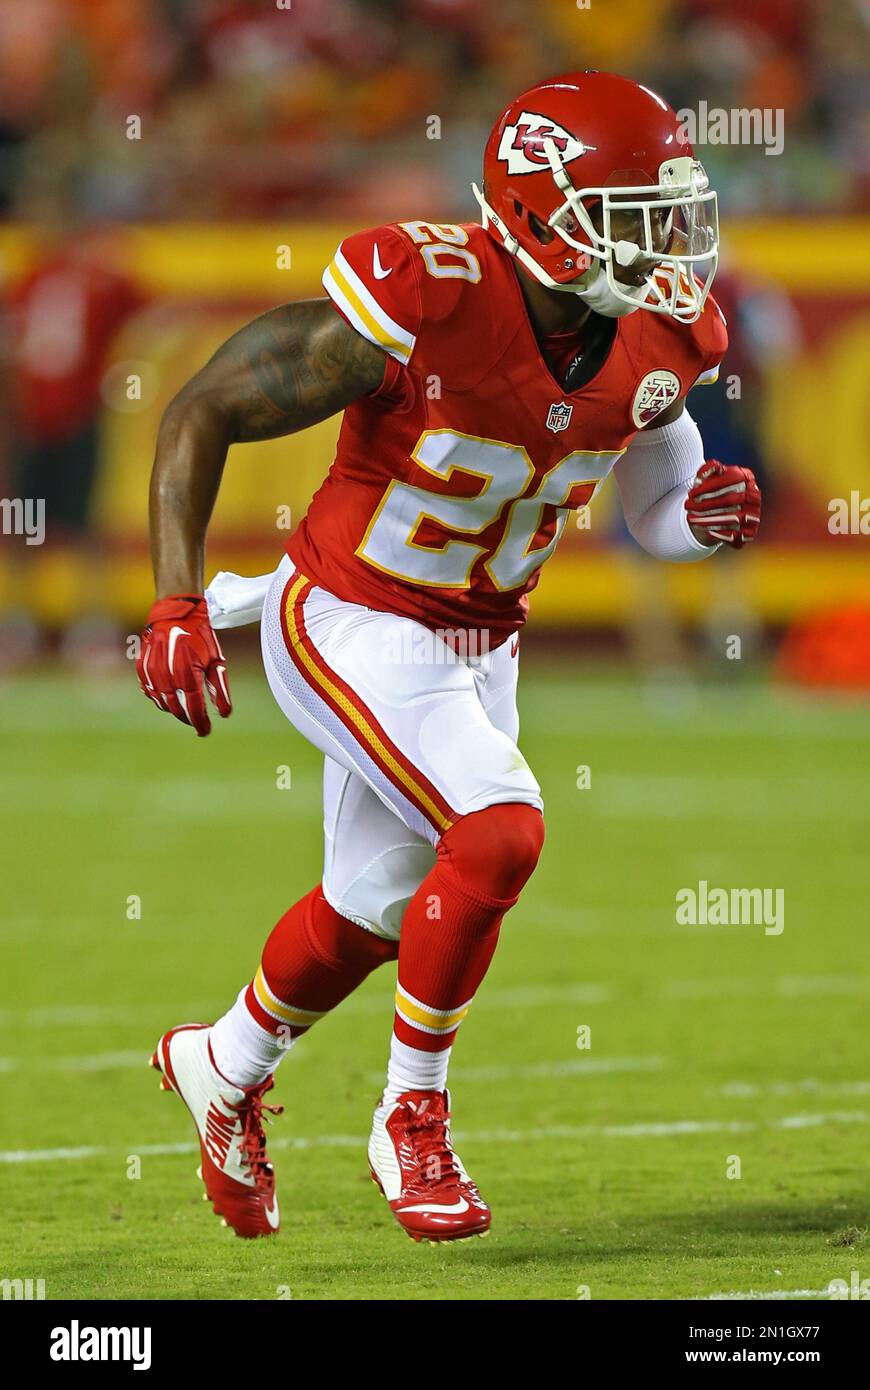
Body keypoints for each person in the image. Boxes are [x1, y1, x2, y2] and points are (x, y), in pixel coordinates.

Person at [138, 72, 761, 1243]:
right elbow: (201, 409)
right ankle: (410, 1116)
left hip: (482, 640)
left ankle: (219, 1062)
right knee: (502, 825)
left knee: (372, 906)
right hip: (352, 614)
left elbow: (655, 498)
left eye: (667, 211)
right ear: (539, 214)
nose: (665, 242)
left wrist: (699, 515)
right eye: (633, 214)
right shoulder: (432, 292)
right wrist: (174, 597)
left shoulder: (663, 332)